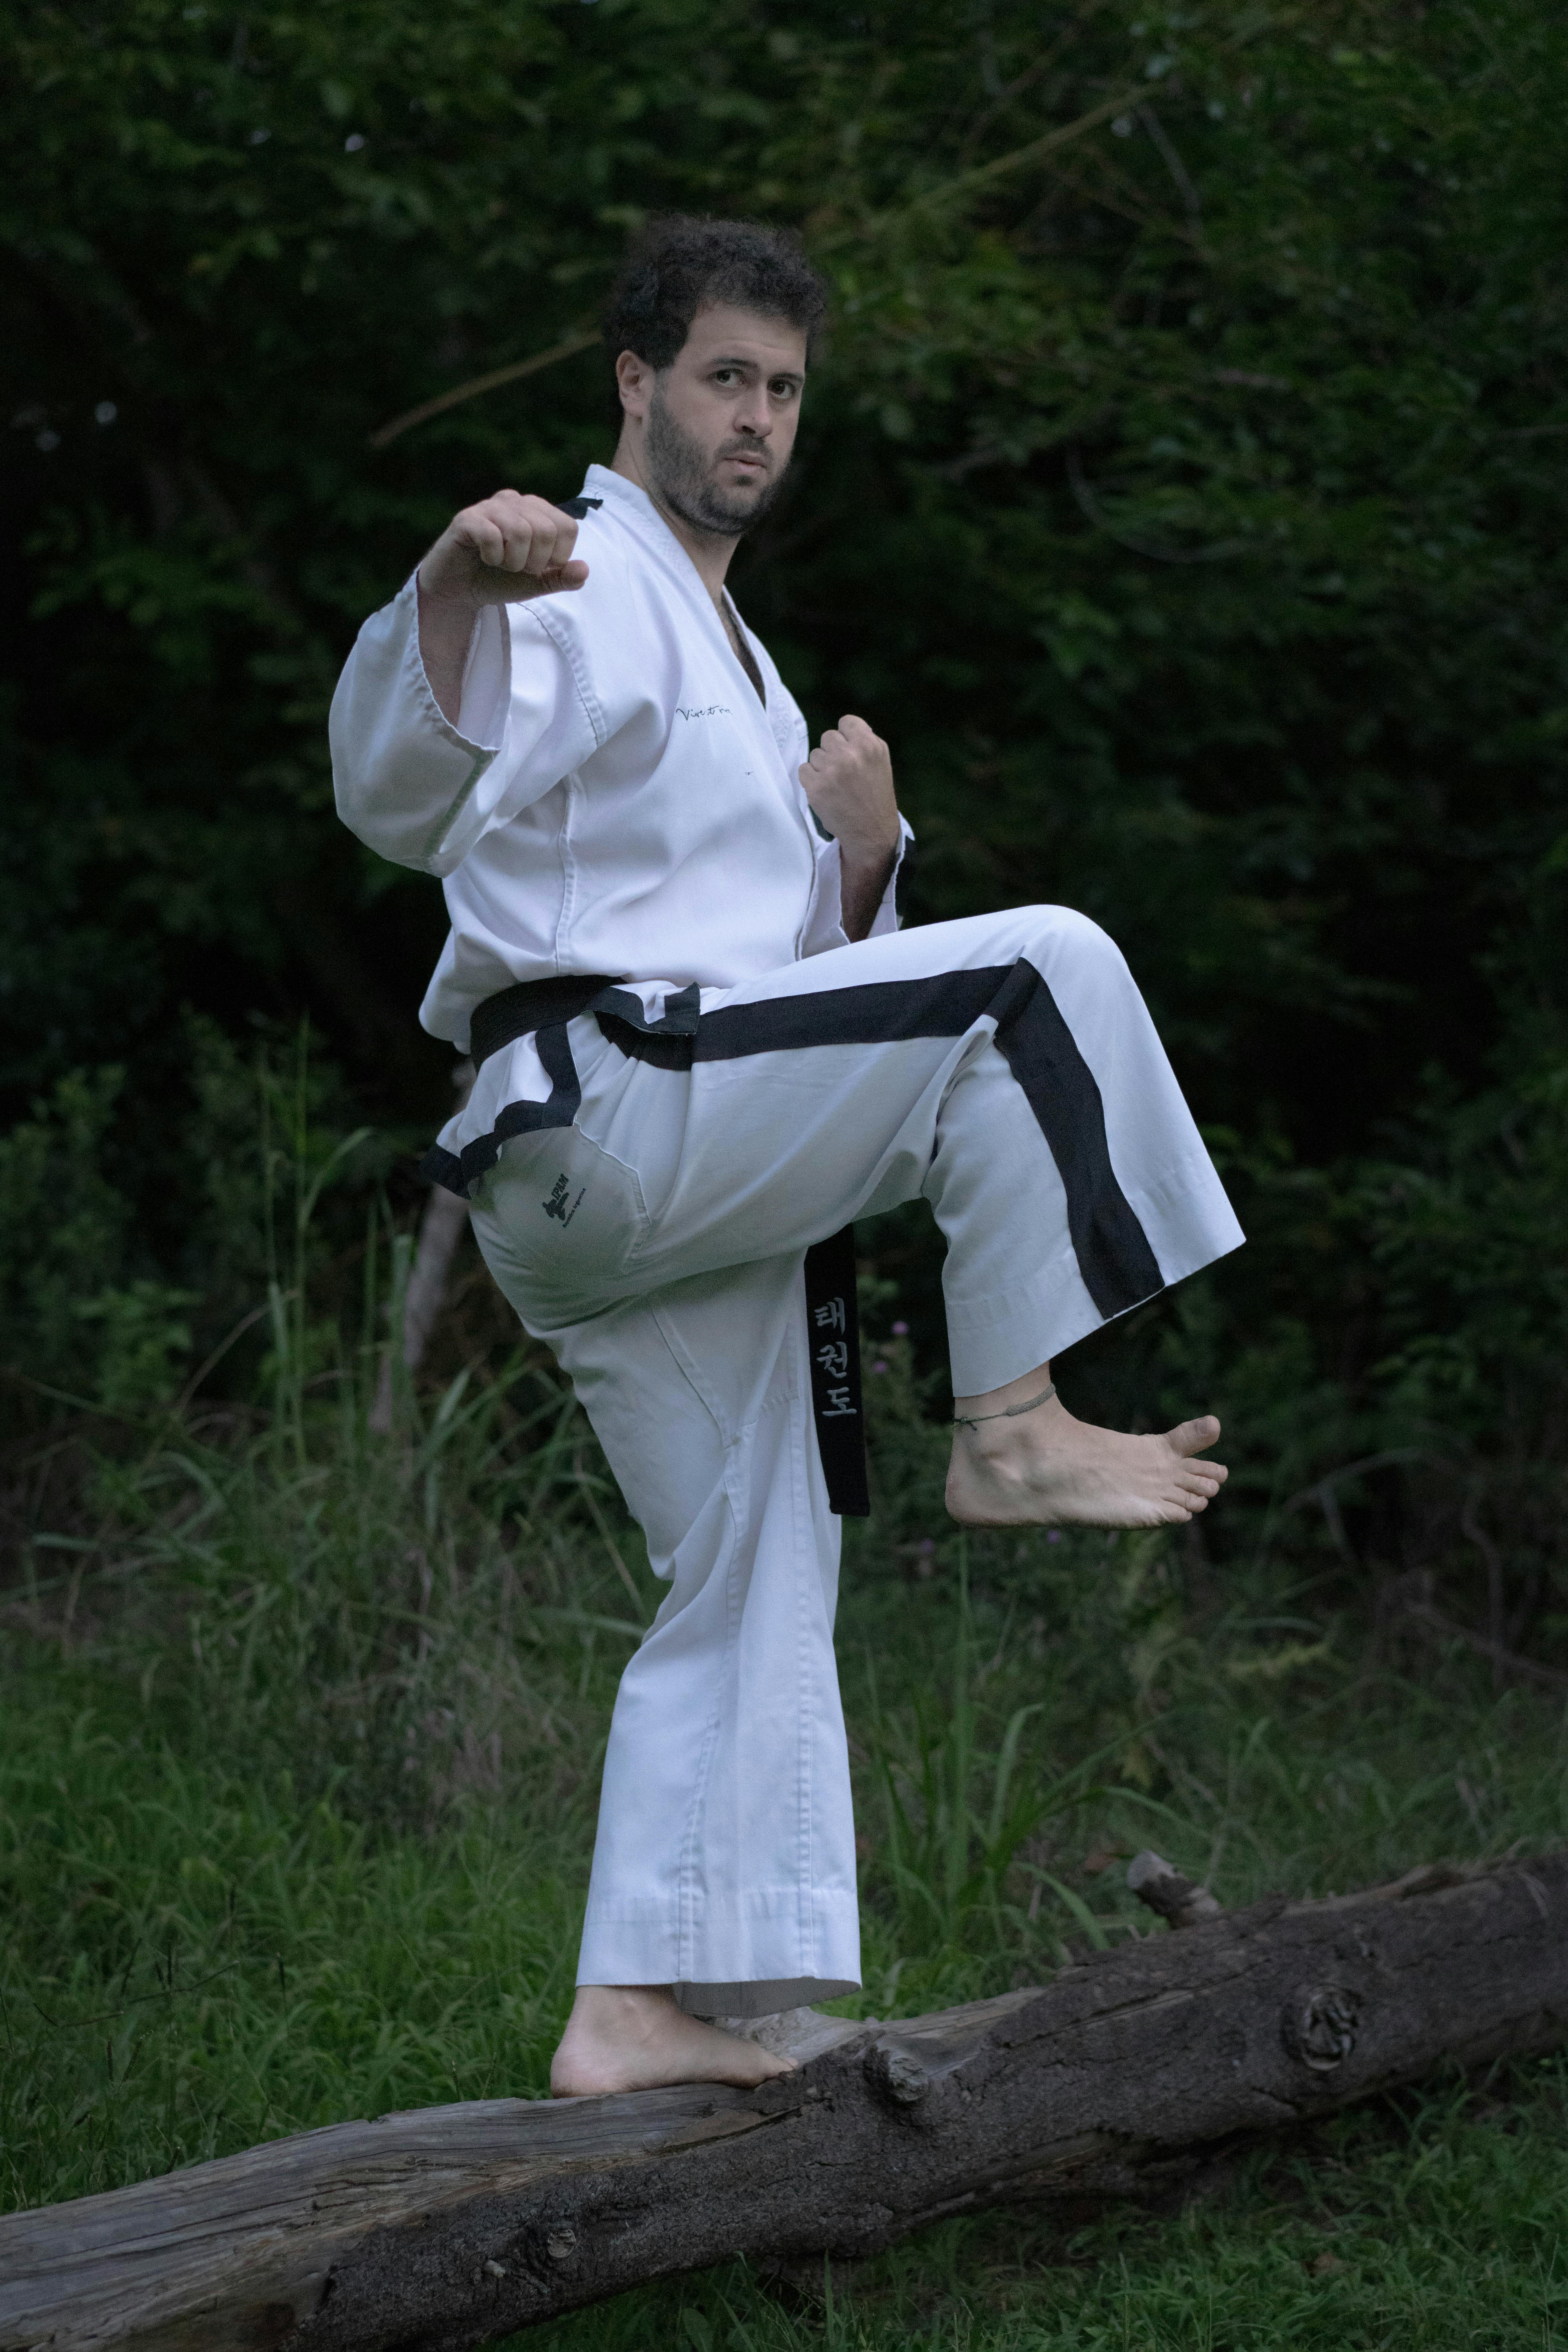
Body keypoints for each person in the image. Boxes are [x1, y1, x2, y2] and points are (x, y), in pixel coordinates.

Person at [330, 216, 1243, 2100]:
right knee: (1038, 964)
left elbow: (782, 994)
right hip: (609, 1104)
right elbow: (402, 793)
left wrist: (854, 855)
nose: (756, 418)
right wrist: (447, 589)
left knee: (755, 1555)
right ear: (636, 384)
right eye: (725, 377)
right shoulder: (581, 584)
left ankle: (657, 2009)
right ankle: (1009, 1421)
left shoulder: (736, 656)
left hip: (610, 1170)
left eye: (784, 390)